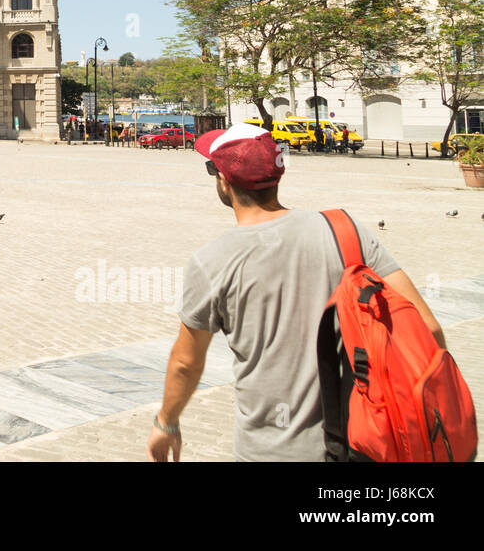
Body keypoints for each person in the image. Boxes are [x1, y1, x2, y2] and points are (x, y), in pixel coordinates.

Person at [147, 123, 444, 462]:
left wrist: (166, 423)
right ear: (278, 174)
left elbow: (186, 363)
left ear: (224, 182)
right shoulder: (344, 230)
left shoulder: (211, 261)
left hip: (273, 449)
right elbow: (428, 328)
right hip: (370, 443)